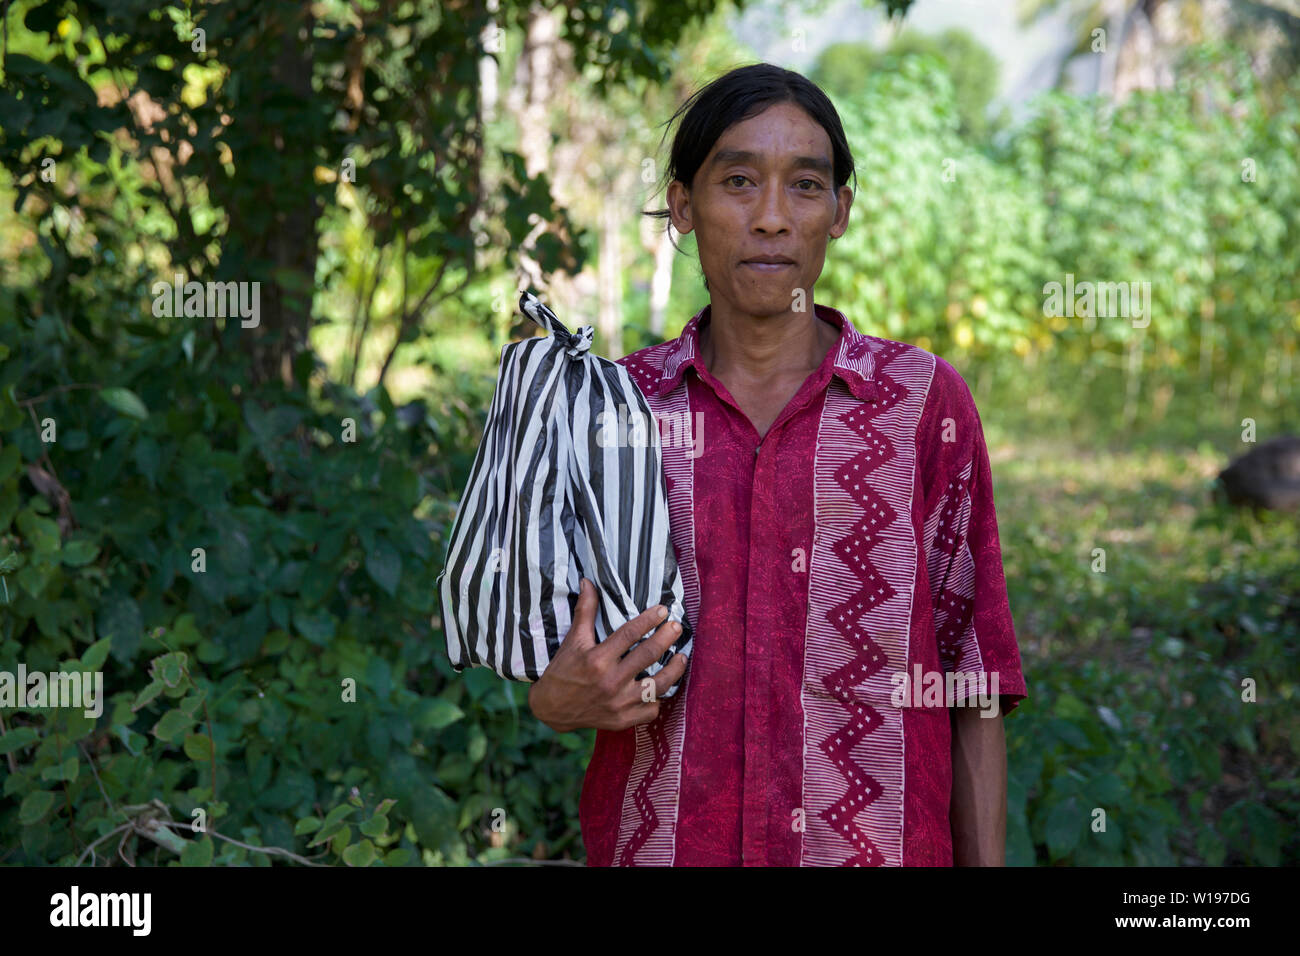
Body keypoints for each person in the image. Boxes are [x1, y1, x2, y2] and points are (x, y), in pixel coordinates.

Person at [527, 62, 1027, 866]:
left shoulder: (922, 405)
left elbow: (972, 672)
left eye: (804, 185)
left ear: (840, 212)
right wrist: (556, 701)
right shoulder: (615, 411)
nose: (770, 218)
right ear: (684, 206)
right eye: (736, 180)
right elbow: (550, 655)